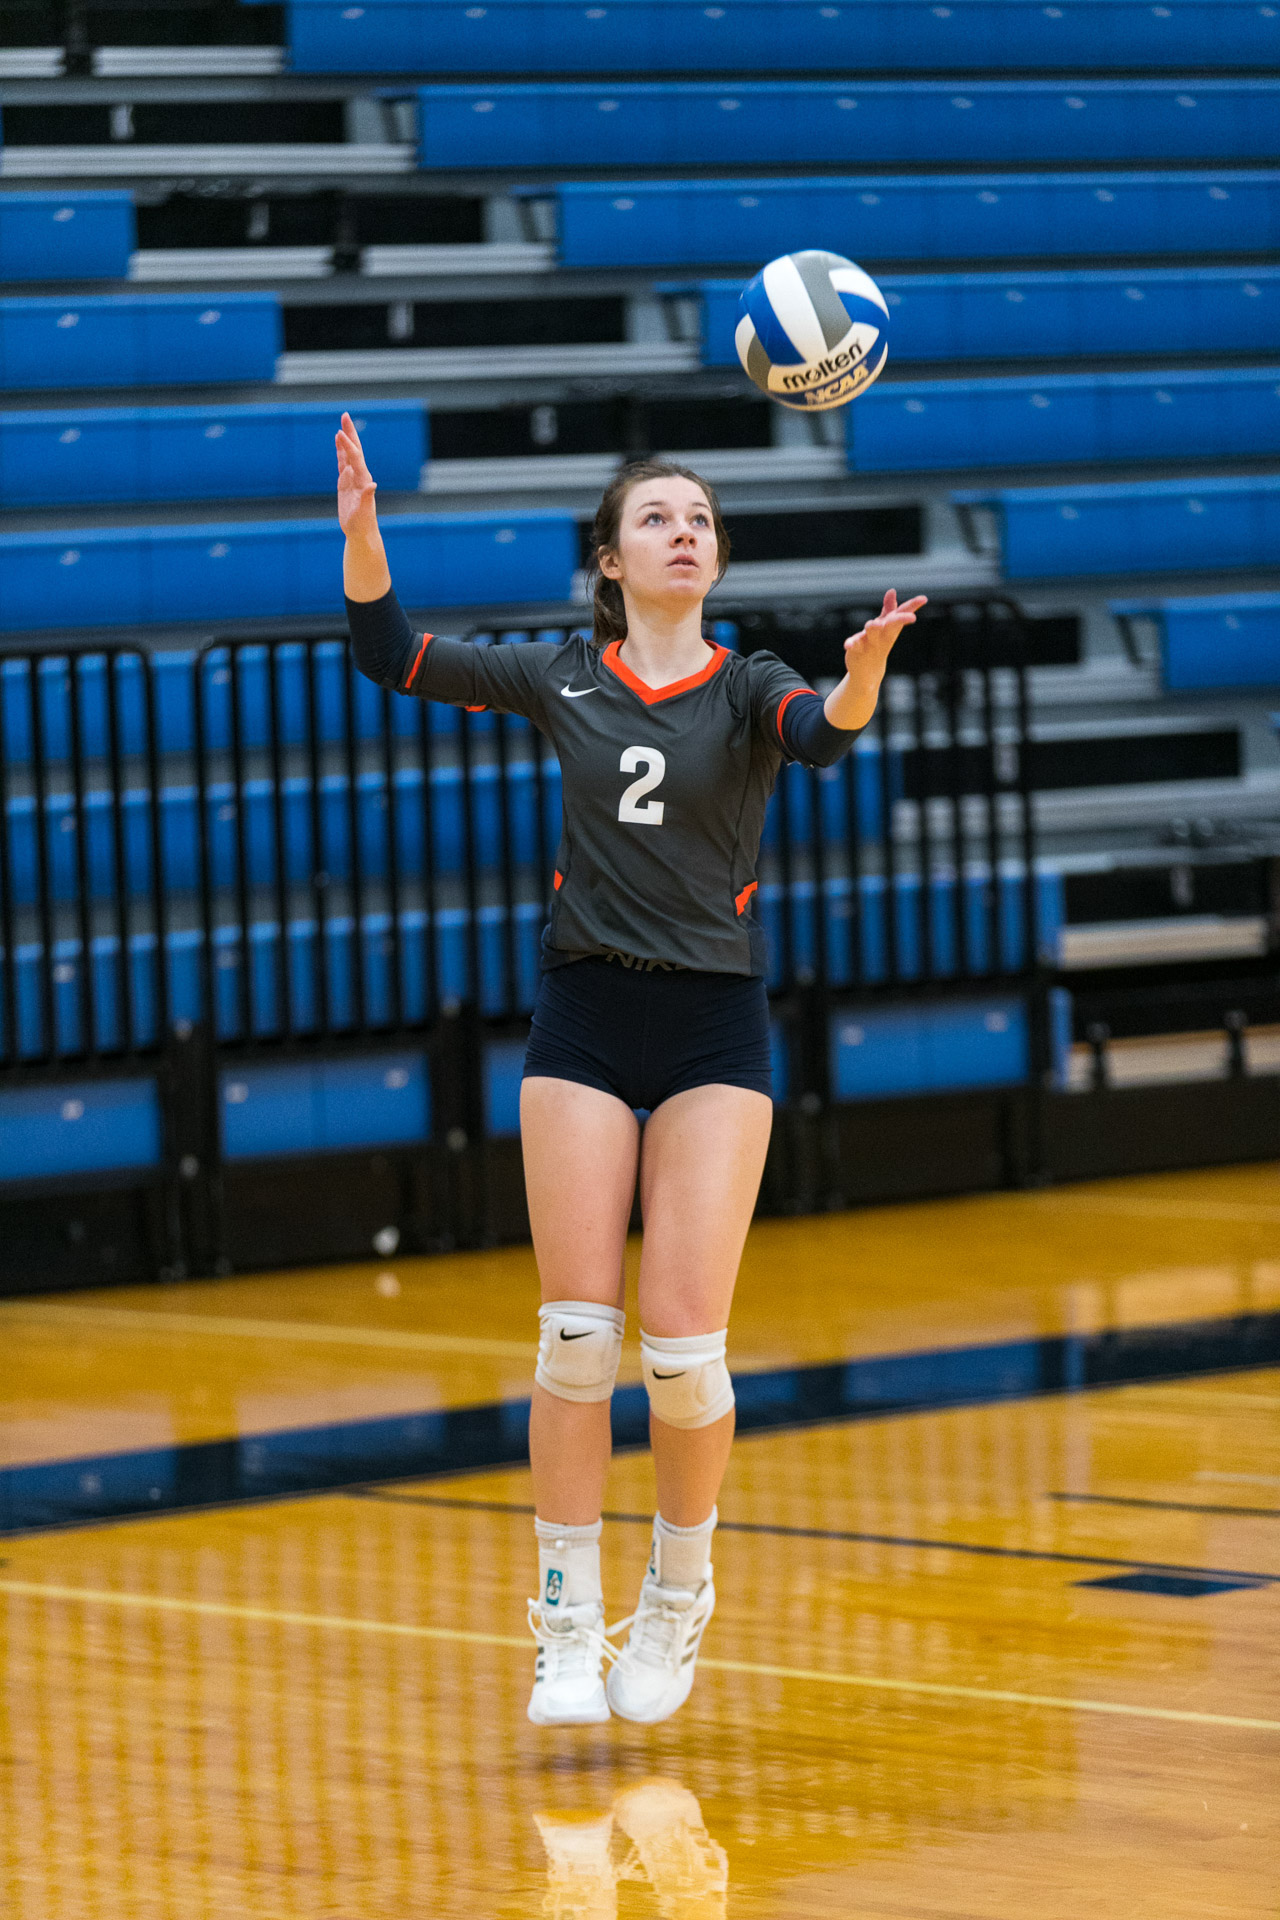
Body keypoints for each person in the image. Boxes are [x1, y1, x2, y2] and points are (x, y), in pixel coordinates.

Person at [337, 412, 924, 1727]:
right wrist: (364, 537)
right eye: (657, 518)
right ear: (609, 559)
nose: (684, 533)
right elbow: (391, 654)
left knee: (682, 1353)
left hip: (713, 1026)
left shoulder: (748, 684)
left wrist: (862, 676)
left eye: (700, 519)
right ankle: (562, 1623)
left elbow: (823, 736)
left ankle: (675, 1597)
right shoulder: (563, 676)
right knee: (573, 1337)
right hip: (587, 1015)